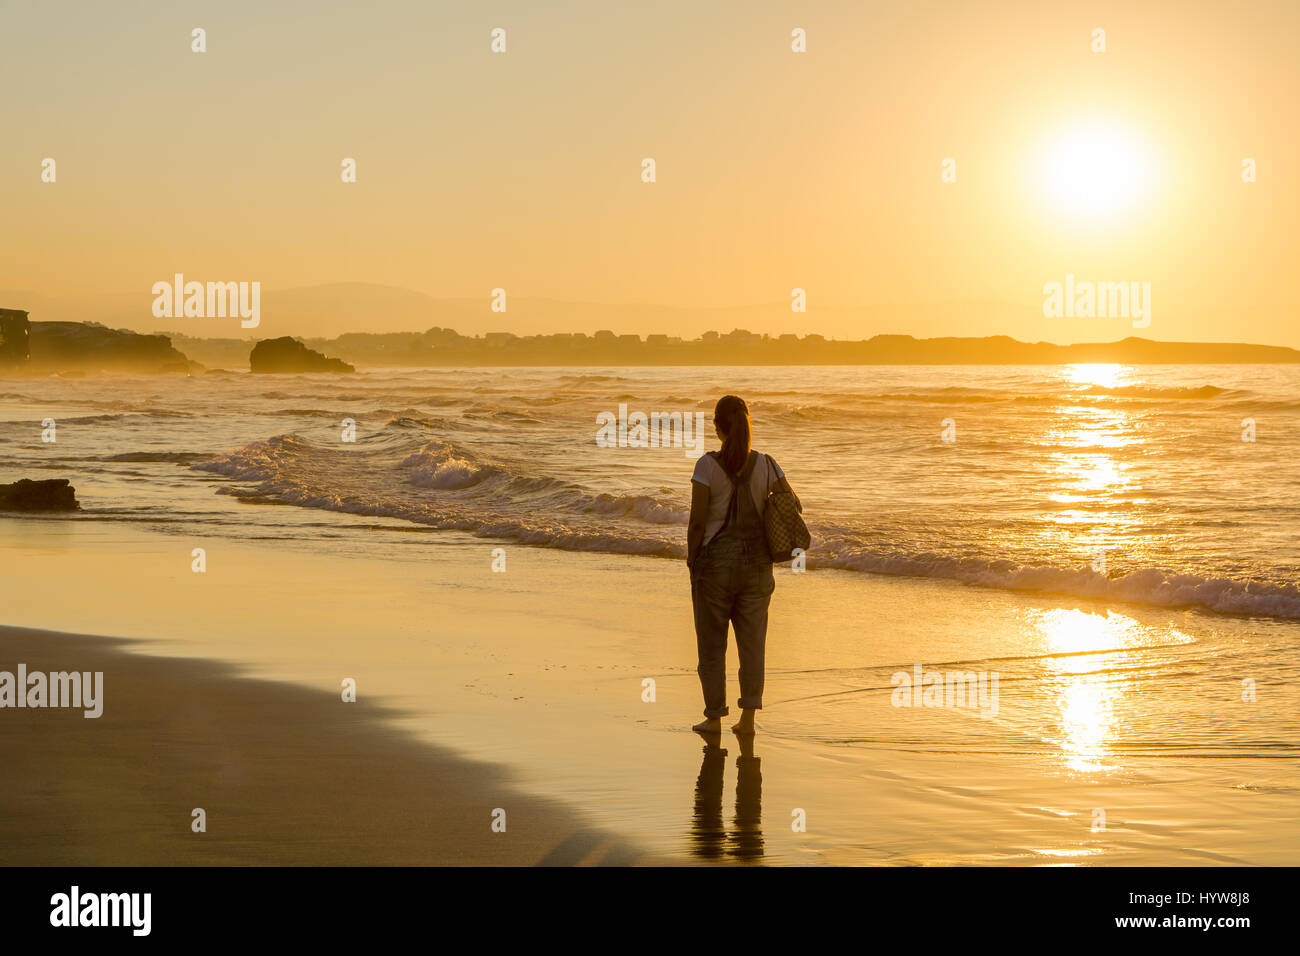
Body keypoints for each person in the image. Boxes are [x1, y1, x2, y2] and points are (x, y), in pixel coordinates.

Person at [686, 394, 798, 735]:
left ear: (718, 427)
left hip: (714, 566)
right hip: (758, 567)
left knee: (712, 644)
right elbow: (794, 504)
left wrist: (693, 561)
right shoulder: (767, 464)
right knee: (752, 645)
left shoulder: (706, 466)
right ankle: (747, 720)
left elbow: (697, 522)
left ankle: (714, 717)